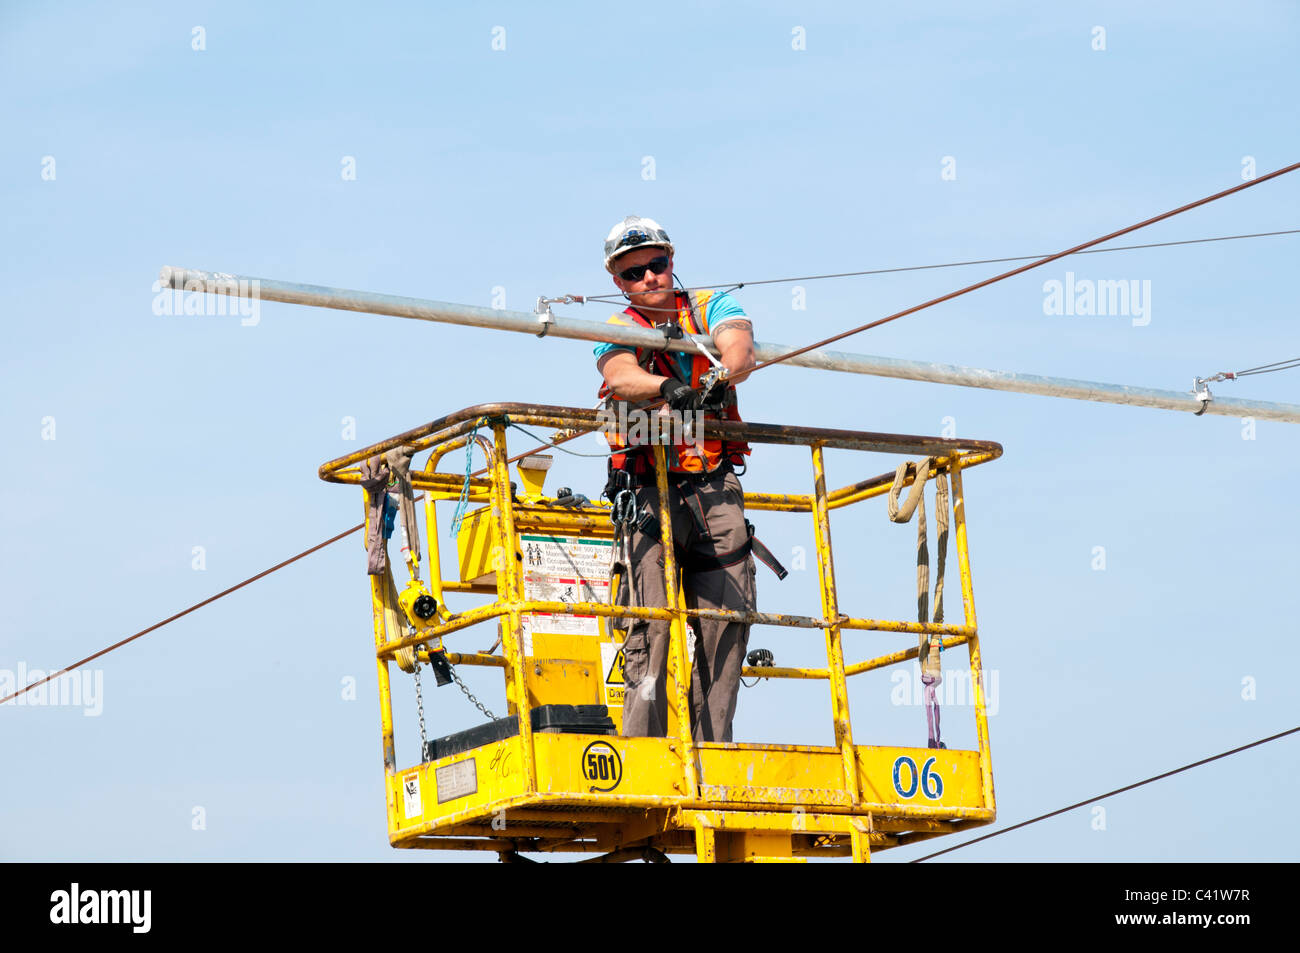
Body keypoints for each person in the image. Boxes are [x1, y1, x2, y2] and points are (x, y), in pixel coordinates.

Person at [595, 215, 758, 743]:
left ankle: (711, 752)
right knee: (652, 624)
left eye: (656, 265)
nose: (648, 279)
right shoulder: (618, 327)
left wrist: (716, 378)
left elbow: (739, 349)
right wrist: (666, 387)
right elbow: (619, 373)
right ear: (618, 282)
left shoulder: (711, 306)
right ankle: (646, 753)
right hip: (648, 494)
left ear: (671, 262)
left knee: (726, 621)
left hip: (712, 487)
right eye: (632, 272)